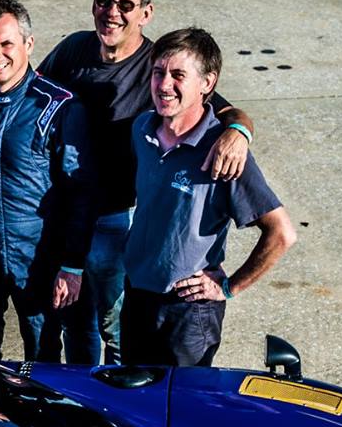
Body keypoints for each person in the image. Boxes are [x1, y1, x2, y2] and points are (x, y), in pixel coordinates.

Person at [37, 0, 256, 365]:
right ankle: (88, 401)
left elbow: (224, 109)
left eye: (125, 4)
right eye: (104, 0)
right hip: (69, 216)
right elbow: (29, 84)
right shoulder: (74, 49)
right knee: (76, 320)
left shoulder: (159, 67)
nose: (112, 12)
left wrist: (240, 132)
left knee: (117, 327)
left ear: (146, 13)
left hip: (120, 221)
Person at [123, 28, 294, 368]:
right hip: (137, 296)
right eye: (158, 73)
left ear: (207, 83)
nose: (164, 85)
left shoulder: (223, 152)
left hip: (188, 312)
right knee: (136, 408)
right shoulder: (142, 128)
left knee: (181, 410)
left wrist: (228, 287)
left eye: (178, 75)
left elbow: (282, 233)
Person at [0, 0, 92, 362]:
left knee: (42, 347)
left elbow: (80, 195)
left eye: (6, 44)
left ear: (29, 45)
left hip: (35, 247)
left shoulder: (60, 106)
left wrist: (72, 265)